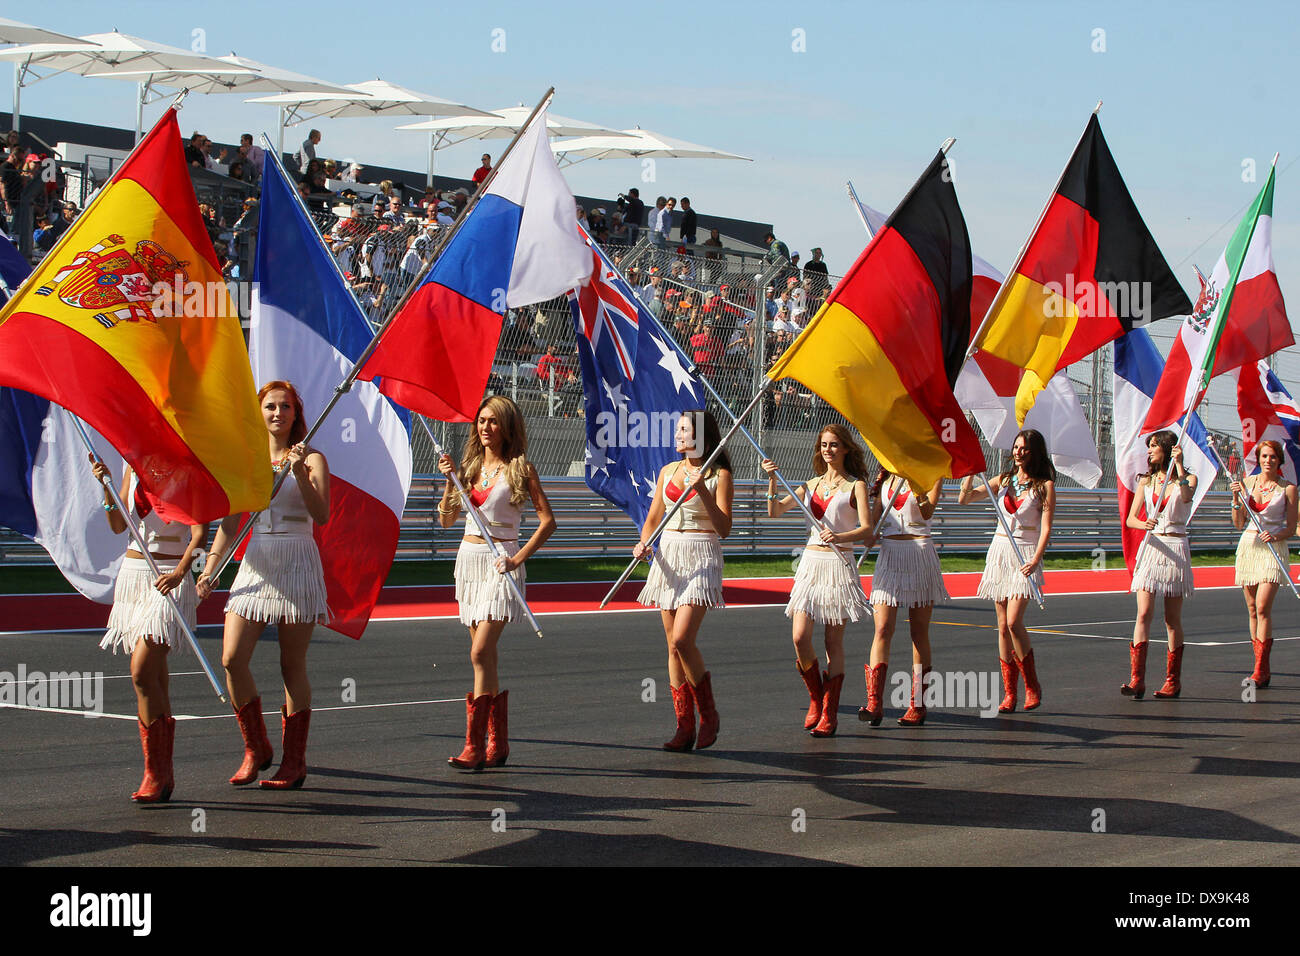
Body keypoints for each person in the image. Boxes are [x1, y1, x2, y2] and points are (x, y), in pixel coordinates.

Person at [197, 381, 331, 790]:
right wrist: (210, 569)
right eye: (270, 406)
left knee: (291, 665)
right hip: (256, 559)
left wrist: (298, 473)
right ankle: (257, 747)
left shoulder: (312, 458)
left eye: (285, 407)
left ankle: (294, 761)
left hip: (297, 557)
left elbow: (321, 514)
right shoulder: (248, 460)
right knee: (232, 658)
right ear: (259, 412)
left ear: (296, 413)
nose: (277, 413)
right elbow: (230, 524)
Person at [436, 396, 555, 770]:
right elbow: (446, 521)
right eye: (481, 421)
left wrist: (517, 558)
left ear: (507, 427)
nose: (485, 428)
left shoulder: (521, 469)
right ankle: (497, 744)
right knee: (483, 657)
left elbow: (547, 521)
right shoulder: (469, 469)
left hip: (502, 563)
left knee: (479, 652)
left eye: (493, 422)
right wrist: (449, 482)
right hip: (468, 561)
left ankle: (473, 746)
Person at [91, 457, 205, 802]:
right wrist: (106, 487)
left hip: (170, 577)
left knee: (141, 671)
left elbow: (200, 534)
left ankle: (157, 772)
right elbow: (117, 525)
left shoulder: (187, 469)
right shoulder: (131, 467)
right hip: (134, 574)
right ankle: (159, 772)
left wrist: (183, 572)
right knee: (155, 676)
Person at [761, 426, 870, 736]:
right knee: (799, 636)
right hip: (810, 562)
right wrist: (771, 479)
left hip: (839, 562)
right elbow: (775, 512)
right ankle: (815, 697)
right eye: (824, 445)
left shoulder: (855, 486)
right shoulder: (809, 485)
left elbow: (866, 528)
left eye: (834, 445)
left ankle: (830, 714)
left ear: (847, 448)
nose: (828, 450)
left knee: (832, 642)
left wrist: (840, 535)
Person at [635, 411, 733, 751]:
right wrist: (645, 542)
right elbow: (652, 519)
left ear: (702, 437)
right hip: (668, 556)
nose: (678, 435)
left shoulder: (719, 475)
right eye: (677, 429)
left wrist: (702, 491)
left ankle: (709, 714)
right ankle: (684, 725)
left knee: (682, 638)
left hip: (702, 553)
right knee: (671, 646)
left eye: (684, 430)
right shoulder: (667, 472)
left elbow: (724, 528)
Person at [957, 429, 1056, 713]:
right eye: (1015, 447)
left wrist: (1036, 559)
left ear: (1034, 451)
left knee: (1014, 622)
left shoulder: (1044, 485)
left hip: (1025, 552)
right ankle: (1010, 692)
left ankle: (1032, 685)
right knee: (1001, 626)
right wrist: (969, 474)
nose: (1018, 452)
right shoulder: (1002, 480)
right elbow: (965, 500)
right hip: (999, 551)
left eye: (1024, 448)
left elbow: (1046, 528)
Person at [862, 468, 947, 726]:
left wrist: (916, 482)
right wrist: (868, 532)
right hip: (889, 553)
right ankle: (874, 703)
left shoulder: (932, 473)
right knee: (882, 628)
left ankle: (917, 704)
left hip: (919, 551)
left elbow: (927, 512)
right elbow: (872, 524)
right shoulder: (886, 478)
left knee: (918, 632)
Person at [1122, 432, 1197, 699]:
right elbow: (1131, 518)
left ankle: (1172, 680)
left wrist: (1179, 465)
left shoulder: (1187, 479)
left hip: (1176, 545)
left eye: (1154, 446)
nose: (1150, 451)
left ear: (1166, 448)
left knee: (1171, 619)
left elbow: (1187, 496)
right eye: (1149, 447)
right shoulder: (1146, 480)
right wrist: (1145, 524)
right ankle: (1136, 679)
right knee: (1143, 613)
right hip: (1152, 546)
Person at [1230, 439, 1298, 689]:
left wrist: (1276, 535)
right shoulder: (1247, 483)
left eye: (1272, 456)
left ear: (1279, 460)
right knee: (1251, 608)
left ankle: (1260, 669)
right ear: (1258, 459)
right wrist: (1236, 496)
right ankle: (1261, 665)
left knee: (1262, 607)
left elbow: (1291, 527)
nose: (1268, 460)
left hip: (1273, 547)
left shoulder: (1288, 488)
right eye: (1264, 456)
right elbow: (1238, 522)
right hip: (1248, 546)